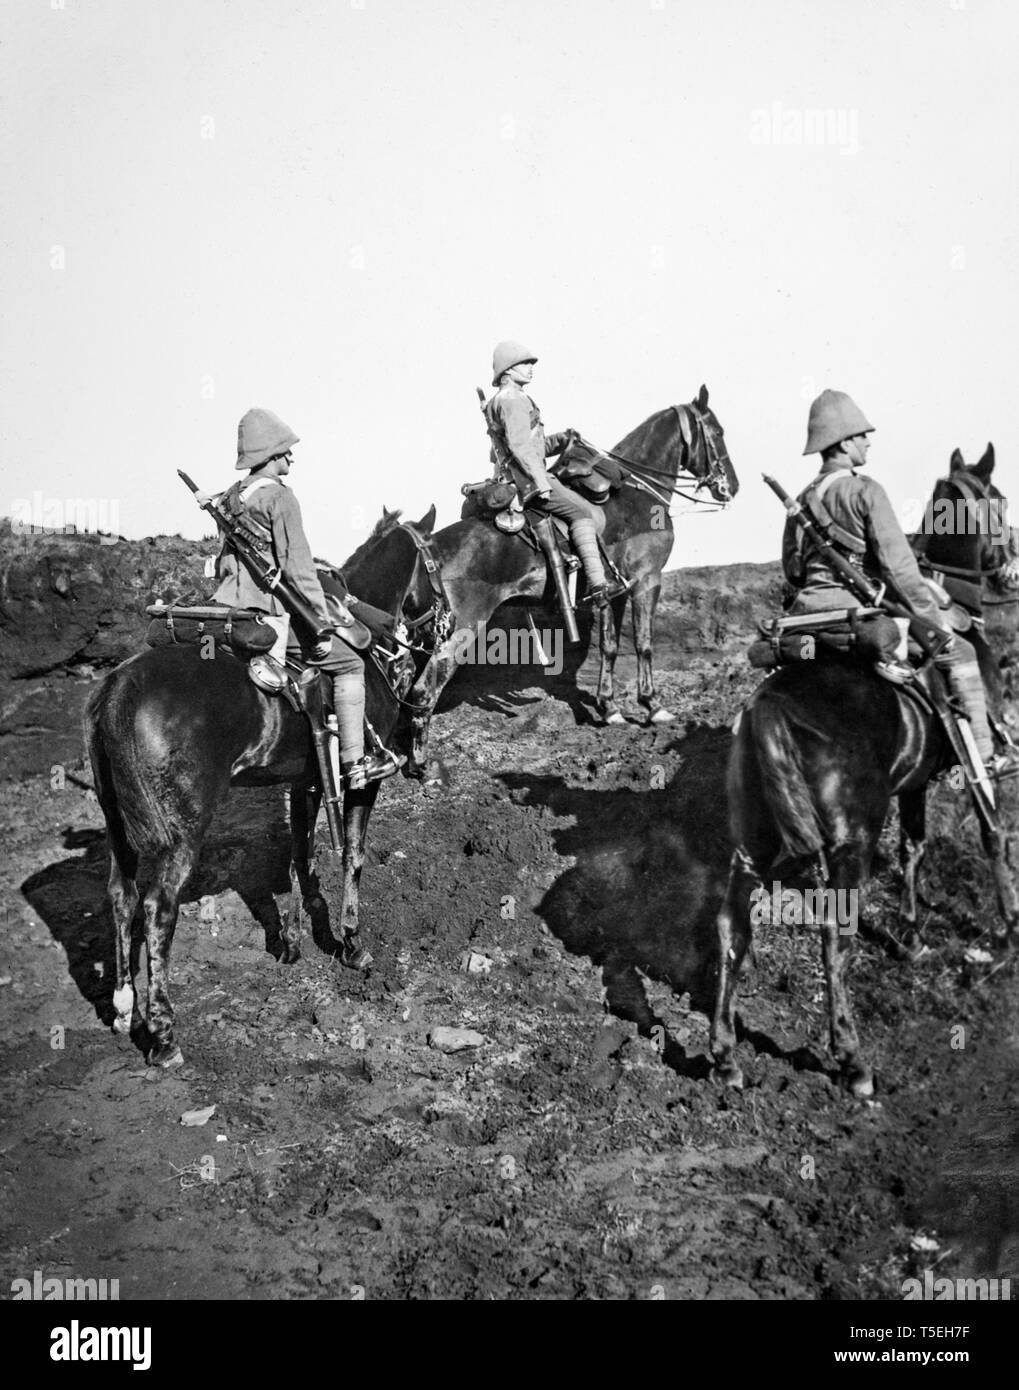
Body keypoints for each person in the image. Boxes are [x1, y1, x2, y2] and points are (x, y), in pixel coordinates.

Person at [783, 389, 1016, 777]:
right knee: (961, 652)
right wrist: (933, 621)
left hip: (805, 618)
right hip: (856, 613)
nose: (867, 441)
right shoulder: (866, 490)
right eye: (862, 436)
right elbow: (900, 570)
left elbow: (793, 569)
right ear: (843, 442)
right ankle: (985, 758)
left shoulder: (801, 500)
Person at [210, 407, 402, 790]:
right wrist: (322, 621)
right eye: (285, 450)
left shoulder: (230, 499)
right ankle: (356, 762)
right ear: (270, 455)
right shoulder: (280, 498)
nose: (291, 457)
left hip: (228, 610)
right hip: (268, 615)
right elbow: (298, 570)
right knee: (350, 663)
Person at [483, 341, 629, 607]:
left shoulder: (502, 400)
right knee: (582, 514)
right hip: (526, 481)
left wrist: (558, 441)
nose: (530, 368)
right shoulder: (514, 400)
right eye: (524, 364)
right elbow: (519, 447)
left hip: (514, 477)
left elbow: (524, 447)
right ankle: (597, 584)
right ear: (508, 370)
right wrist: (541, 482)